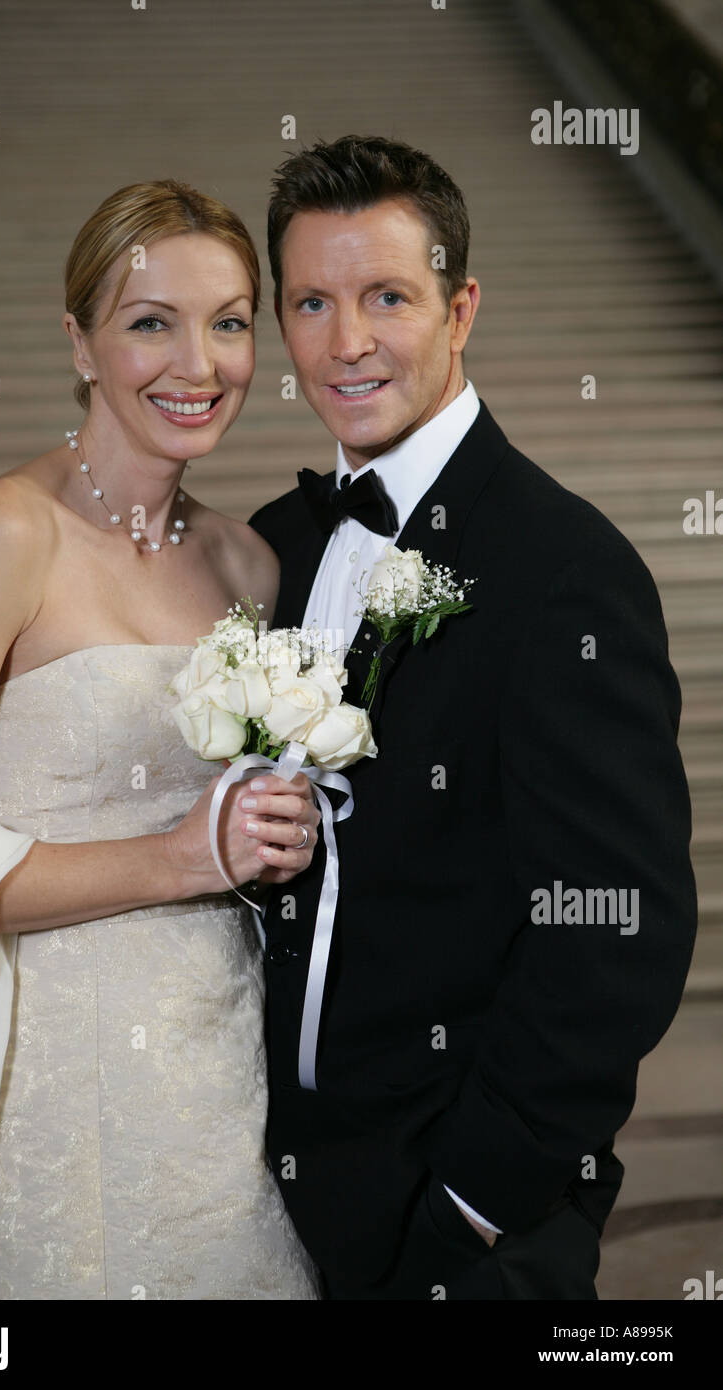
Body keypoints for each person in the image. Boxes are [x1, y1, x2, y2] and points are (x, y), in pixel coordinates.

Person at [248, 134, 697, 1300]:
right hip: (276, 1202)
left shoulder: (564, 570)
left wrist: (475, 1205)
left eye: (386, 295)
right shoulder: (276, 547)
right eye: (310, 301)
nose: (345, 342)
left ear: (460, 308)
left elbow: (613, 933)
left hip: (463, 1225)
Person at [0, 180, 322, 1300]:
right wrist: (180, 856)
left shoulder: (248, 567)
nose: (196, 364)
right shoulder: (5, 531)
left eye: (226, 322)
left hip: (223, 1088)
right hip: (50, 1087)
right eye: (149, 322)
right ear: (79, 341)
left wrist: (282, 831)